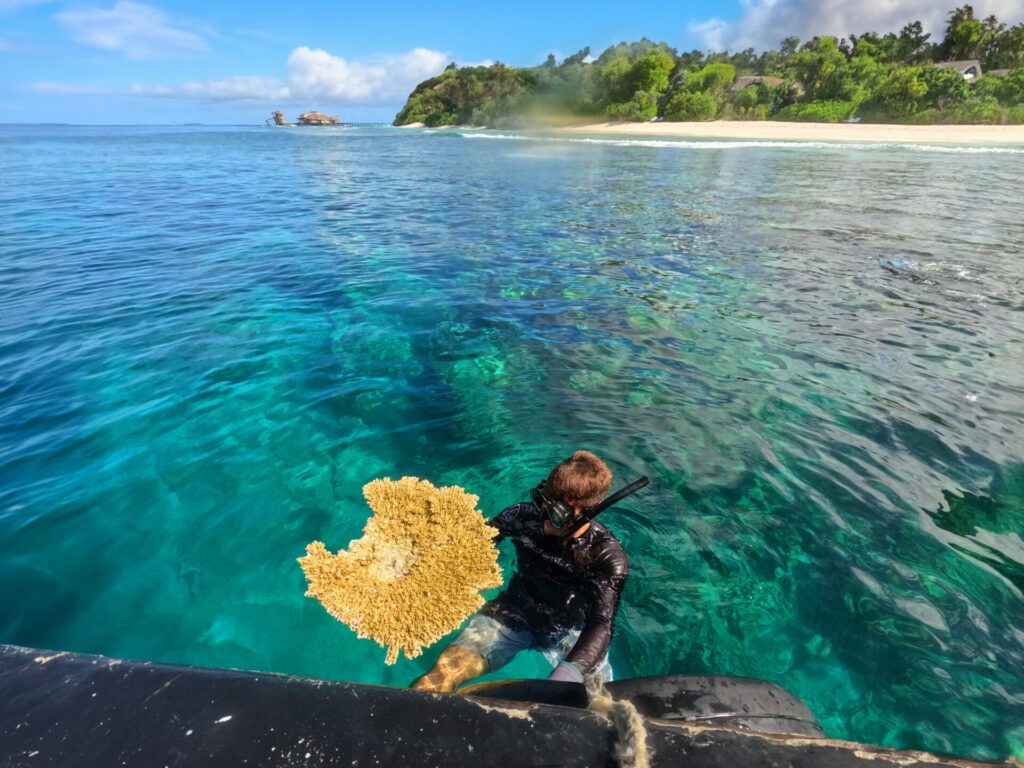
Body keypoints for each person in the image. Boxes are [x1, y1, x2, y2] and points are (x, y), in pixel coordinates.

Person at [411, 450, 629, 692]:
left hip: (573, 631)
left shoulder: (608, 557)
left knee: (597, 700)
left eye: (555, 514)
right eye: (541, 503)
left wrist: (571, 671)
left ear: (584, 514)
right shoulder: (521, 516)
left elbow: (601, 622)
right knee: (442, 674)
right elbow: (472, 548)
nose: (543, 519)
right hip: (514, 610)